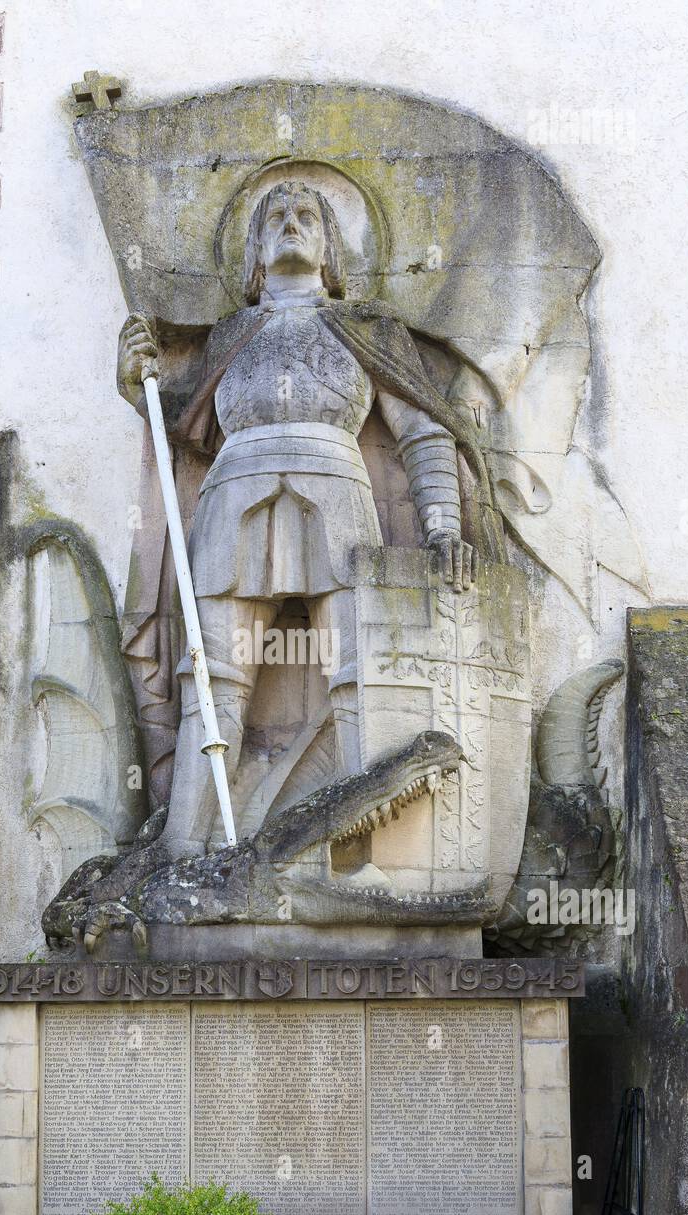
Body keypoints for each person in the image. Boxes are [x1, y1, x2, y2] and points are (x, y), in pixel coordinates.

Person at [118, 180, 481, 858]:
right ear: (255, 248)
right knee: (213, 673)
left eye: (305, 215)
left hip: (337, 493)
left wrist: (442, 527)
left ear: (328, 244)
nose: (290, 224)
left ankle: (365, 856)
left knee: (361, 678)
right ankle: (186, 847)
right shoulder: (232, 334)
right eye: (275, 218)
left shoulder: (367, 330)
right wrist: (137, 381)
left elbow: (424, 432)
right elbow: (184, 428)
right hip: (236, 492)